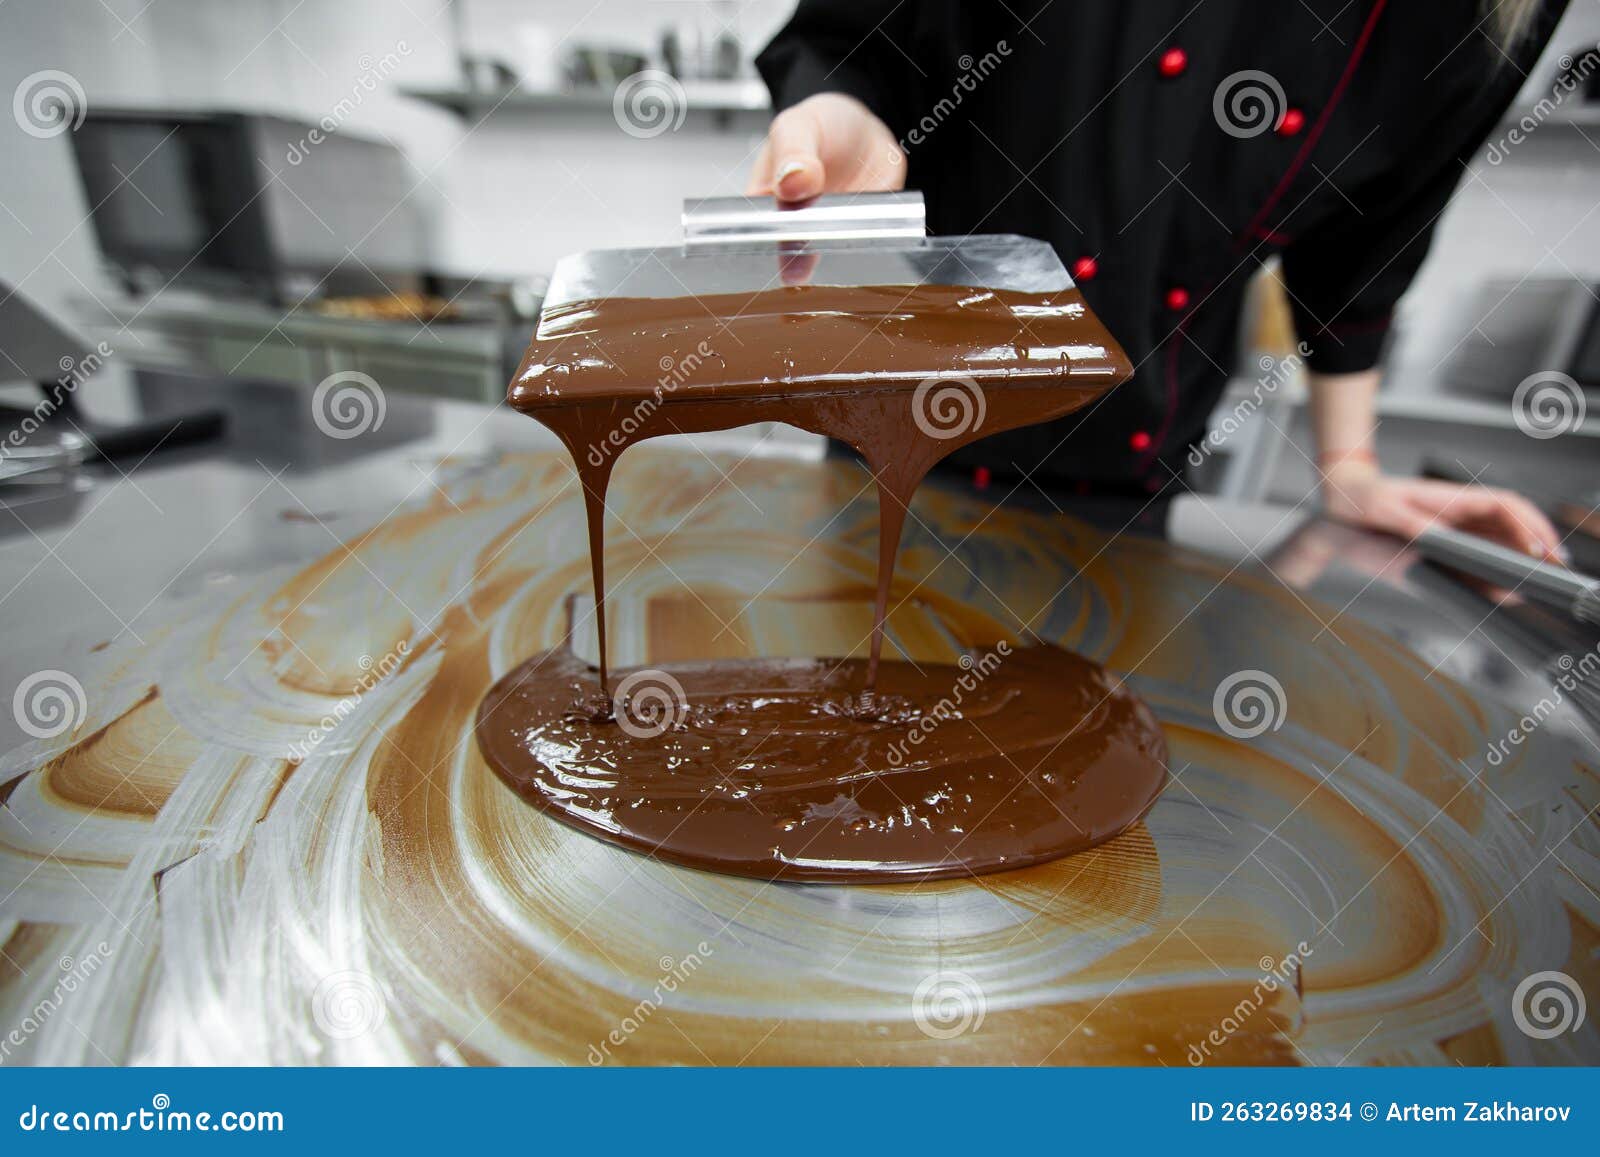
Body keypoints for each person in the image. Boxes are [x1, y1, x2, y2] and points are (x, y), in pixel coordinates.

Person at [747, 0, 1571, 562]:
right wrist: (844, 107)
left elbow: (1369, 244)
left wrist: (1348, 466)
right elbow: (860, 39)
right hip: (899, 445)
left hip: (1135, 493)